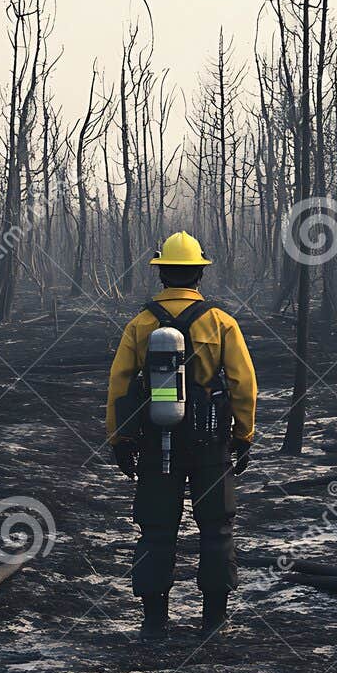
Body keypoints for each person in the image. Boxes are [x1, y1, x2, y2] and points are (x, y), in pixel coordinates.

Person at [105, 232, 257, 640]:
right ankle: (214, 621)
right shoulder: (221, 322)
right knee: (217, 529)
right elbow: (244, 383)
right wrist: (244, 434)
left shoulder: (140, 324)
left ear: (162, 276)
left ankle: (154, 622)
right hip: (210, 444)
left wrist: (120, 439)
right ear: (199, 276)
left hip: (157, 443)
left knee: (155, 530)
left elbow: (119, 385)